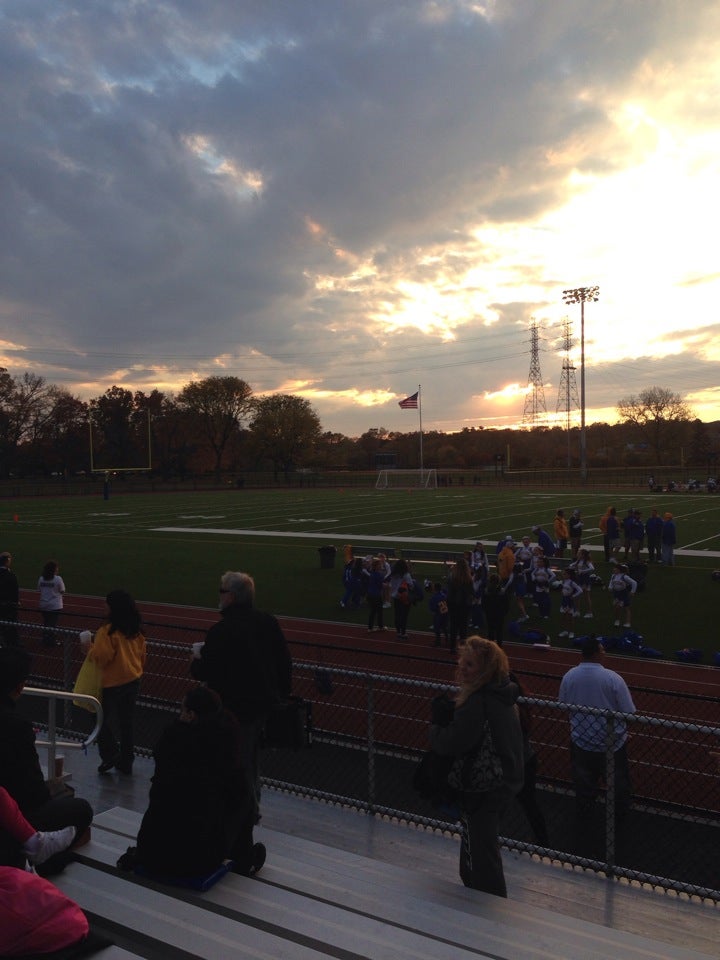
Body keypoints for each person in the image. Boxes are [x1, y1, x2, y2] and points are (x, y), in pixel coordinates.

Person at [191, 570, 292, 872]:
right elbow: (284, 662)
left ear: (231, 596)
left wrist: (197, 662)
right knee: (250, 759)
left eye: (221, 591)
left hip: (234, 711)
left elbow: (208, 672)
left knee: (236, 763)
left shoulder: (222, 631)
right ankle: (252, 808)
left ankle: (243, 814)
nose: (219, 595)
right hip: (262, 708)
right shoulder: (268, 622)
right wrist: (279, 696)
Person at [121, 686, 259, 878]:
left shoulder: (170, 741)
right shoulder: (223, 748)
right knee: (244, 800)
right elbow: (237, 799)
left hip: (153, 853)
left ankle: (244, 857)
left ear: (190, 715)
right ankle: (244, 859)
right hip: (198, 861)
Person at [429, 637, 524, 897]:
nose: (462, 668)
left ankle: (486, 909)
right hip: (505, 780)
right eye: (461, 662)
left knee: (480, 857)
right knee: (480, 845)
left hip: (484, 786)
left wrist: (436, 727)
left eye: (469, 664)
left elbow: (453, 742)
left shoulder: (478, 701)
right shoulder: (505, 695)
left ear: (485, 669)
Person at [0, 646, 93, 875]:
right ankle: (40, 859)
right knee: (82, 809)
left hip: (12, 811)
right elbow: (33, 794)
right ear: (20, 686)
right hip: (18, 816)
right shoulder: (17, 726)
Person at [558, 635, 636, 820]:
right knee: (617, 784)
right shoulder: (613, 679)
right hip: (612, 745)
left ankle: (585, 813)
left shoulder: (569, 676)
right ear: (595, 654)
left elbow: (563, 705)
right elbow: (629, 713)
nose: (604, 653)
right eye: (602, 650)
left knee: (584, 784)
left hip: (581, 742)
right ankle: (618, 816)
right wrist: (622, 731)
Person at [84, 589, 146, 775]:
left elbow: (102, 658)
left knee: (98, 718)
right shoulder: (136, 630)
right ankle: (126, 760)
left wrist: (88, 648)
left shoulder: (107, 632)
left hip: (112, 683)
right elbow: (142, 656)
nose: (104, 607)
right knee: (126, 723)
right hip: (132, 679)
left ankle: (110, 754)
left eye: (107, 604)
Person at [446, 557, 474, 652]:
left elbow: (449, 593)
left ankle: (452, 647)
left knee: (453, 626)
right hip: (465, 606)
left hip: (453, 605)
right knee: (463, 628)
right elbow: (472, 593)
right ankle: (463, 648)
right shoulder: (469, 579)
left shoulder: (452, 577)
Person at [37, 559, 66, 648]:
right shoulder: (58, 579)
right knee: (52, 624)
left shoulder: (41, 578)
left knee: (46, 623)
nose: (58, 570)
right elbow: (62, 590)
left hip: (44, 605)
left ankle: (46, 639)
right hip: (55, 605)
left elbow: (39, 589)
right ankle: (51, 641)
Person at [389, 558, 414, 640]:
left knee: (397, 614)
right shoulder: (406, 575)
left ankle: (398, 632)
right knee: (404, 616)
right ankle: (403, 633)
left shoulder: (393, 574)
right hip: (404, 597)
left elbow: (391, 585)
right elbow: (411, 586)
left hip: (396, 597)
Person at [483, 573, 510, 647]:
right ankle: (499, 646)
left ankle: (491, 645)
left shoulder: (486, 591)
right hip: (499, 614)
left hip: (490, 613)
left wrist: (486, 611)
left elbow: (483, 603)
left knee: (490, 630)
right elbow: (506, 603)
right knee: (499, 631)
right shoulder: (502, 591)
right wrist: (504, 612)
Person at [0, 551, 20, 646]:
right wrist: (16, 603)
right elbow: (15, 592)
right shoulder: (10, 575)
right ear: (7, 561)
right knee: (10, 628)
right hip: (8, 607)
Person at [609, 563, 637, 629]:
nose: (614, 569)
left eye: (616, 568)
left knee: (626, 608)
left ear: (620, 570)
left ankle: (628, 622)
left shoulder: (624, 576)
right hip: (616, 593)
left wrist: (632, 591)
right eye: (614, 568)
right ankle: (617, 620)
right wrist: (610, 587)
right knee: (617, 607)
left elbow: (634, 583)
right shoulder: (613, 576)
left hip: (623, 594)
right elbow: (611, 582)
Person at [569, 548, 595, 618]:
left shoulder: (586, 561)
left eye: (579, 553)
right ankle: (577, 611)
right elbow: (572, 565)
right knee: (577, 595)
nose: (577, 554)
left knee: (586, 596)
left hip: (585, 580)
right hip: (579, 579)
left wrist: (583, 571)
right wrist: (571, 567)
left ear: (583, 555)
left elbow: (592, 568)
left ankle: (590, 613)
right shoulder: (578, 561)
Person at [558, 569, 583, 640]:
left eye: (565, 574)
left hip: (569, 601)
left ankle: (571, 632)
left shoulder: (572, 582)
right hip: (564, 600)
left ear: (569, 575)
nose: (563, 575)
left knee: (570, 616)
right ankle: (565, 631)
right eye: (563, 574)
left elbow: (580, 590)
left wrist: (573, 596)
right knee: (563, 616)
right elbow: (564, 589)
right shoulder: (564, 581)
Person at [364, 557, 388, 632]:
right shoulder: (378, 574)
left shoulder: (372, 573)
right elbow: (380, 585)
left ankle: (370, 628)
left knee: (373, 611)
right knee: (379, 611)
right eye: (380, 564)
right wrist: (386, 585)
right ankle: (380, 626)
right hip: (376, 595)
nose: (381, 565)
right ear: (377, 566)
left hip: (370, 594)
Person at [428, 582, 449, 648]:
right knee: (444, 628)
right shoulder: (444, 595)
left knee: (437, 629)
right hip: (445, 614)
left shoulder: (434, 598)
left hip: (438, 615)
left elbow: (432, 608)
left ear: (435, 589)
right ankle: (447, 640)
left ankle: (438, 642)